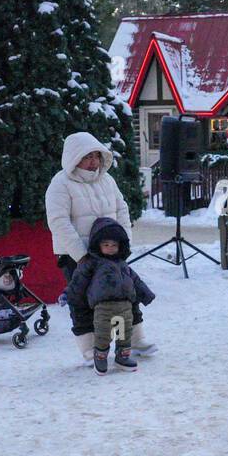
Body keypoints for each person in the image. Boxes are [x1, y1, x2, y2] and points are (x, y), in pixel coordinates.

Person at [45, 132, 155, 358]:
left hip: (111, 254)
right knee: (82, 301)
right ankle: (90, 348)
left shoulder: (108, 180)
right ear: (74, 157)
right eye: (87, 156)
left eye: (96, 155)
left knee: (126, 294)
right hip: (77, 257)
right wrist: (81, 255)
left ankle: (135, 339)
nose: (93, 161)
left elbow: (122, 210)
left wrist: (124, 244)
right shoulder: (60, 184)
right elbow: (58, 221)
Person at [64, 217, 156, 376]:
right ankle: (100, 357)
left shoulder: (123, 264)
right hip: (103, 308)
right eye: (106, 245)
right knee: (103, 333)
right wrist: (68, 294)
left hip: (125, 307)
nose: (110, 248)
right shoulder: (92, 263)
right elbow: (78, 280)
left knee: (124, 333)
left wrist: (146, 294)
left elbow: (135, 280)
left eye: (114, 245)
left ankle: (122, 357)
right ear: (97, 245)